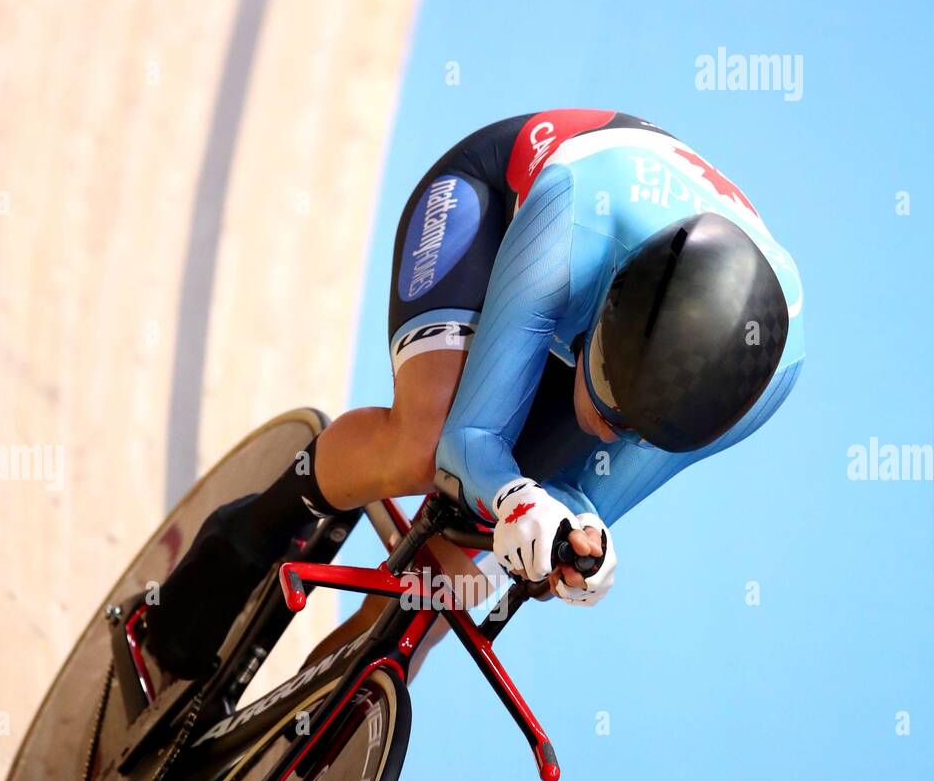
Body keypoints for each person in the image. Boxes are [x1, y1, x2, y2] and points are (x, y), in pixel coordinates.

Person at [146, 108, 804, 678]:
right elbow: (469, 444)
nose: (605, 430)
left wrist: (575, 545)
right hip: (490, 203)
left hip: (613, 316)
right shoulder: (575, 217)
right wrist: (515, 495)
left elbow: (589, 498)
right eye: (606, 391)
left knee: (444, 592)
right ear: (604, 315)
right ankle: (250, 531)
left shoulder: (757, 381)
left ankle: (296, 748)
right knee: (425, 447)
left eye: (633, 429)